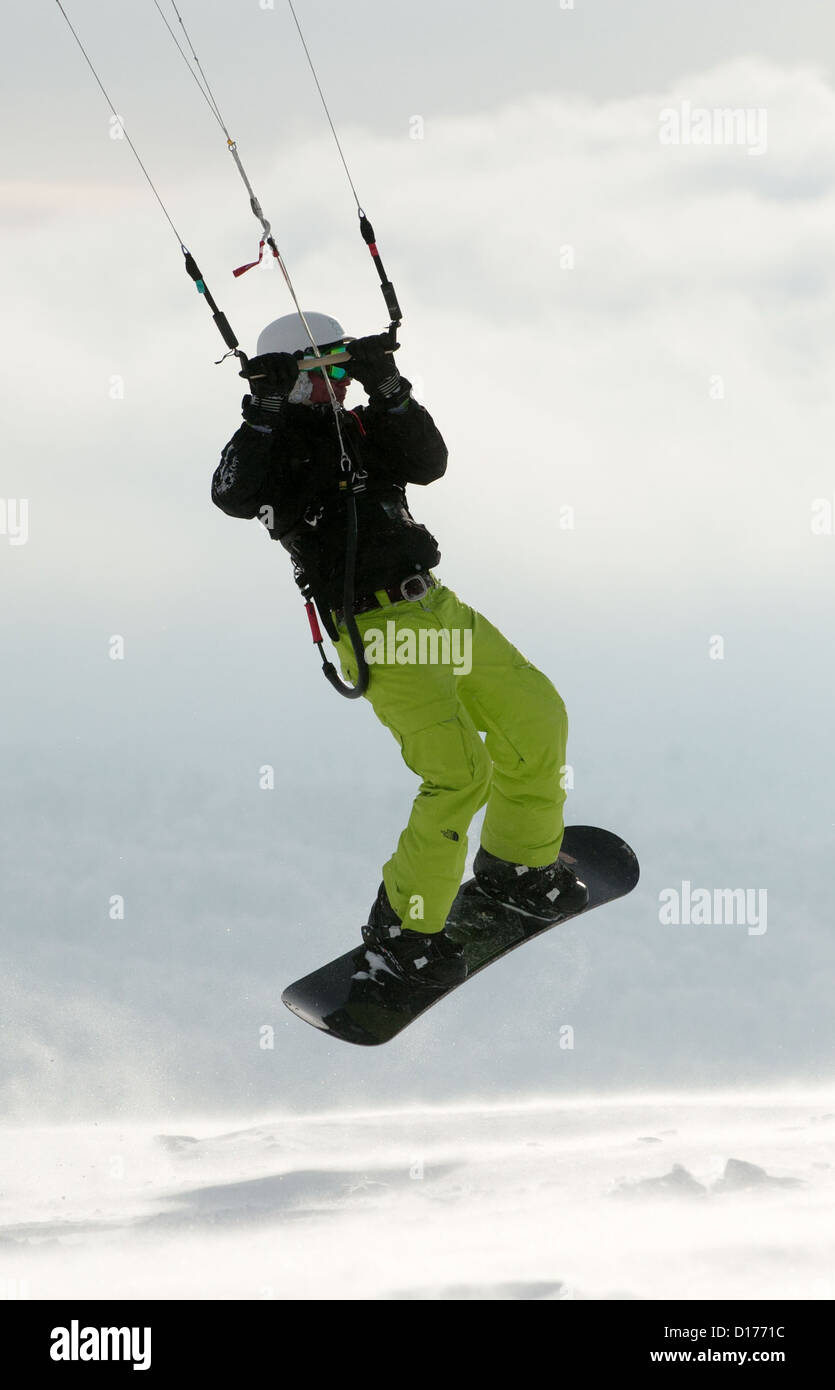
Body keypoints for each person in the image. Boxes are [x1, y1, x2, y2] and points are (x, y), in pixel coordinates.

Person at [212, 312, 587, 988]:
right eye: (314, 375)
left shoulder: (359, 428)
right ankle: (403, 932)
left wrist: (388, 389)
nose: (331, 387)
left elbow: (427, 462)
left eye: (336, 370)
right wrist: (264, 411)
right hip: (375, 627)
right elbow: (232, 493)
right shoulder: (276, 448)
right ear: (284, 383)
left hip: (432, 605)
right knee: (457, 775)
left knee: (535, 716)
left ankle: (517, 864)